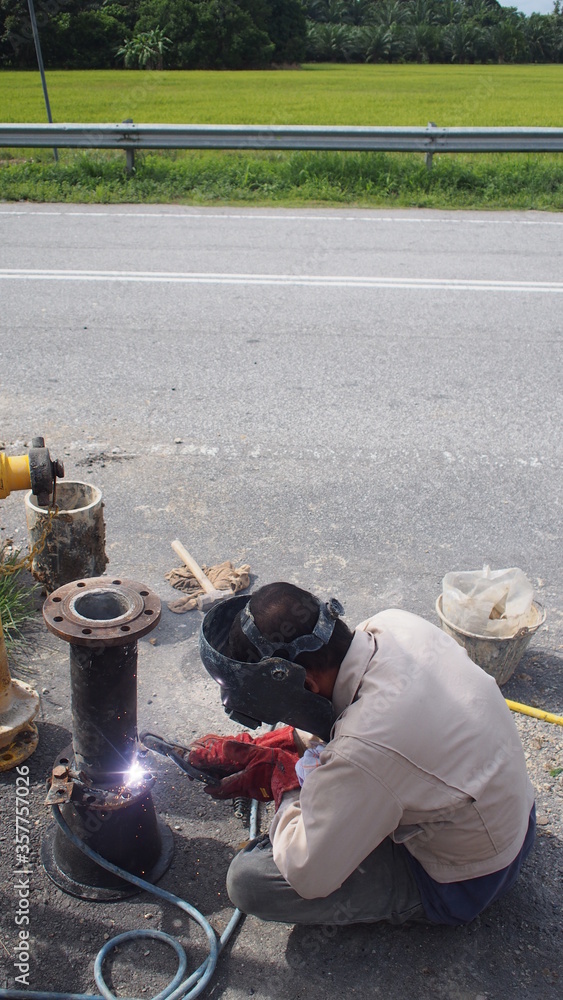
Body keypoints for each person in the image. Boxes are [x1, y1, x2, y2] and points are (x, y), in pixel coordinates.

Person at [189, 582, 536, 927]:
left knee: (250, 880)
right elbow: (344, 703)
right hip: (511, 809)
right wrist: (287, 739)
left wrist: (287, 781)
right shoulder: (392, 624)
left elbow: (307, 874)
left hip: (473, 876)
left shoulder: (365, 751)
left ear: (307, 684)